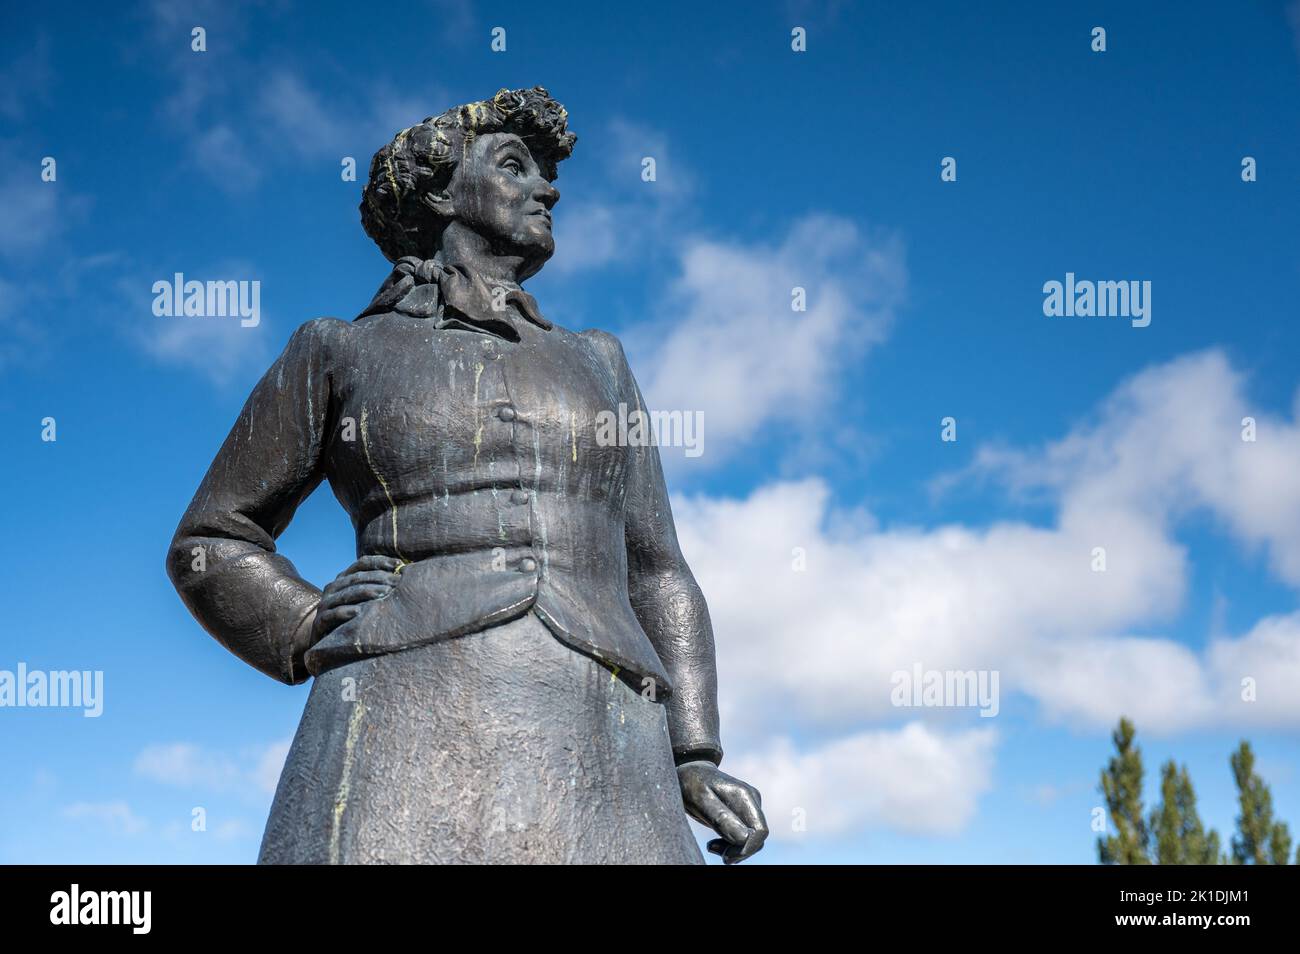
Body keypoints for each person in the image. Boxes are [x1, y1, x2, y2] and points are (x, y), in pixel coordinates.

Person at [166, 86, 768, 864]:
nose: (546, 188)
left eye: (548, 175)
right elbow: (212, 538)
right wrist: (303, 619)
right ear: (442, 192)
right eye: (515, 167)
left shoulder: (599, 361)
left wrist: (693, 752)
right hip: (396, 714)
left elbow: (657, 568)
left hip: (608, 732)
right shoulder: (337, 350)